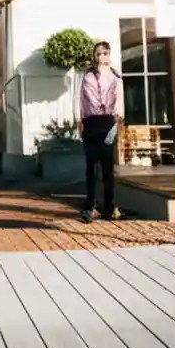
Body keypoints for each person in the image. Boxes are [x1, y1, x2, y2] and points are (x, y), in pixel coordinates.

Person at [78, 41, 124, 223]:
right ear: (94, 56)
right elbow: (80, 100)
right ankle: (90, 206)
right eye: (98, 53)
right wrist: (79, 121)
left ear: (109, 54)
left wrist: (118, 122)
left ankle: (109, 206)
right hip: (90, 123)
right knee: (91, 169)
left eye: (105, 53)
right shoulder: (87, 76)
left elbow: (120, 103)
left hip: (108, 123)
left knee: (107, 169)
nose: (102, 56)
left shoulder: (115, 78)